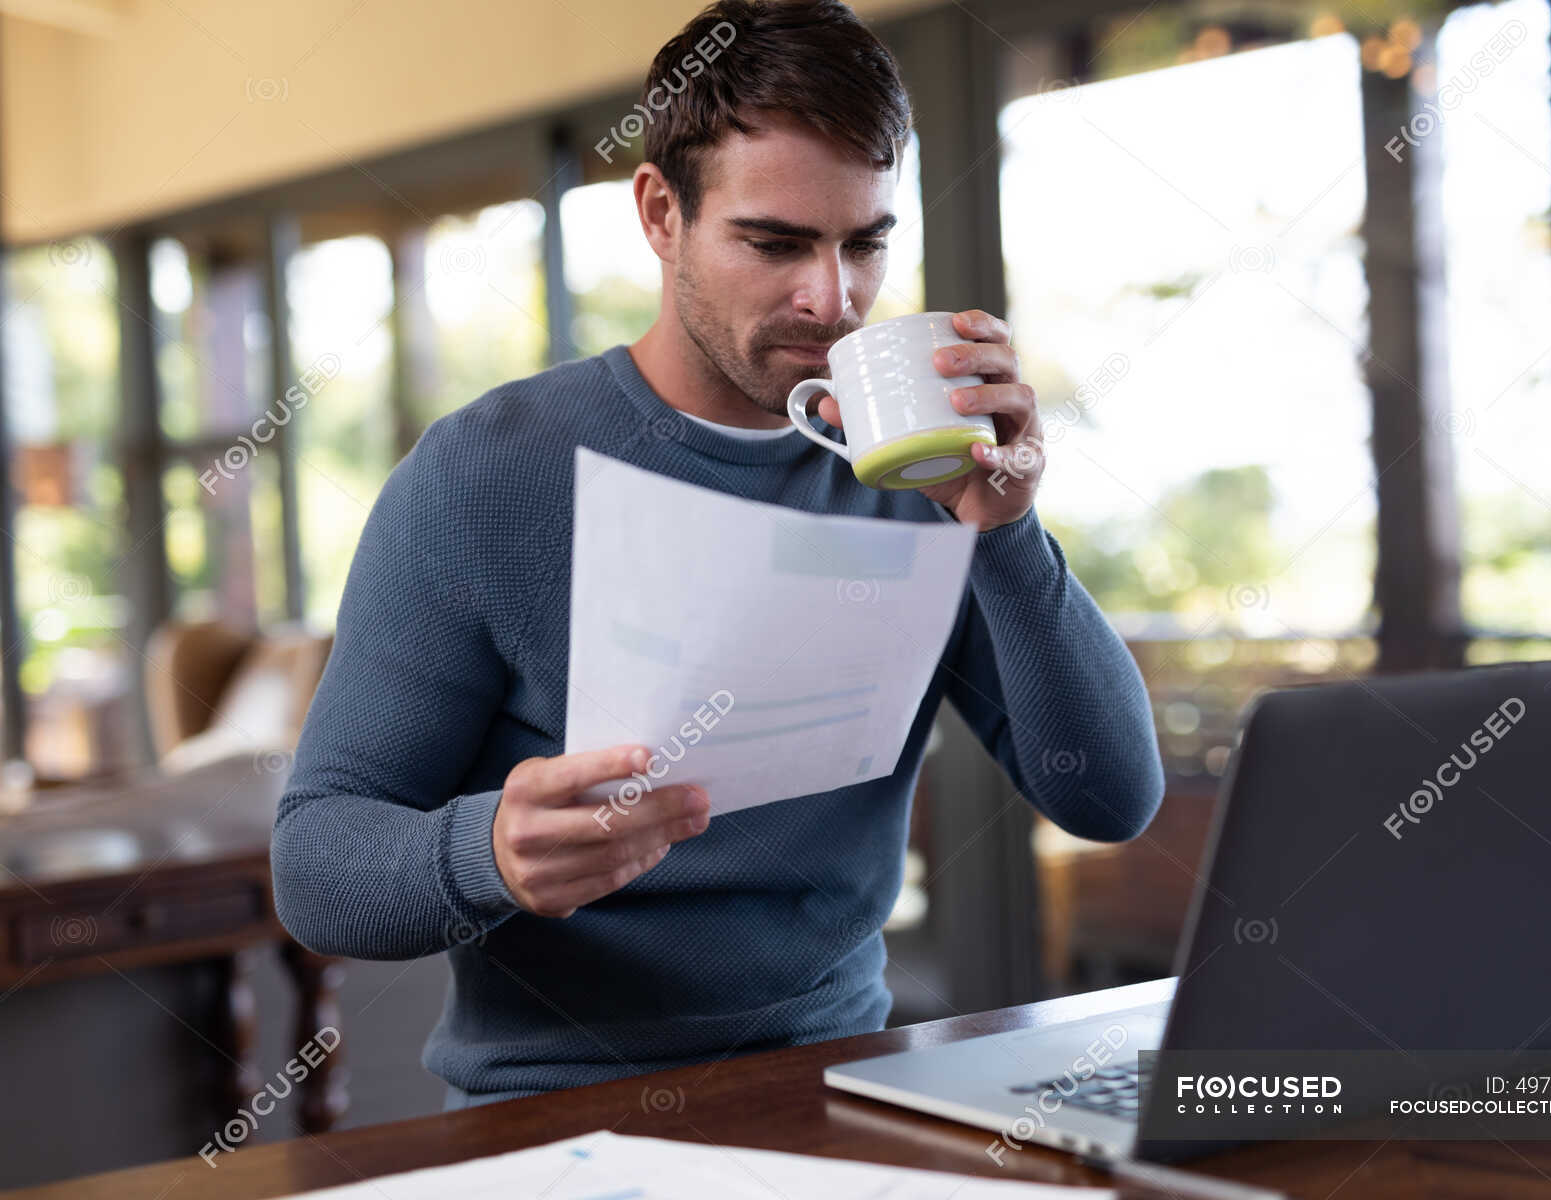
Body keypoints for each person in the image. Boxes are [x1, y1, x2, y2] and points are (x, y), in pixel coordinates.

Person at [270, 0, 1164, 1111]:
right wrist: (487, 854)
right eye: (776, 242)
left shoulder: (918, 477)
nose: (831, 299)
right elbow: (317, 869)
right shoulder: (484, 476)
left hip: (845, 1088)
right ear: (660, 213)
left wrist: (1007, 529)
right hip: (550, 1111)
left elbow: (1110, 797)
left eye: (866, 242)